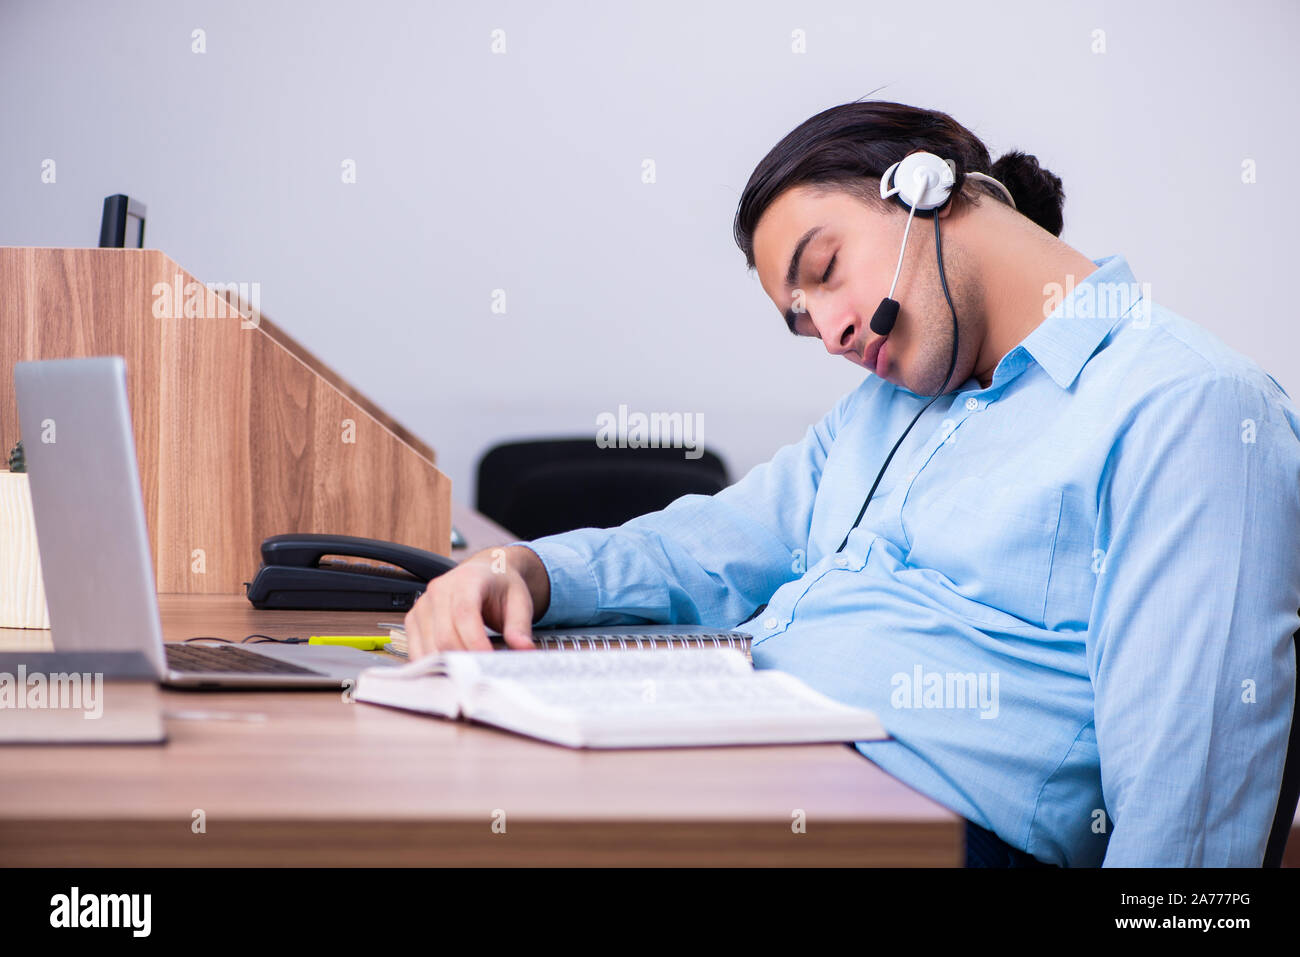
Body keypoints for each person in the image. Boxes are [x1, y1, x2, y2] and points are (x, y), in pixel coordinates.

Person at [405, 100, 1300, 867]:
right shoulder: (887, 408)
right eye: (801, 322)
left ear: (928, 187)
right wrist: (525, 570)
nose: (830, 331)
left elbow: (1188, 821)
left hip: (915, 832)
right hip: (760, 765)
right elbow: (712, 543)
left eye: (824, 272)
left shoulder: (1188, 408)